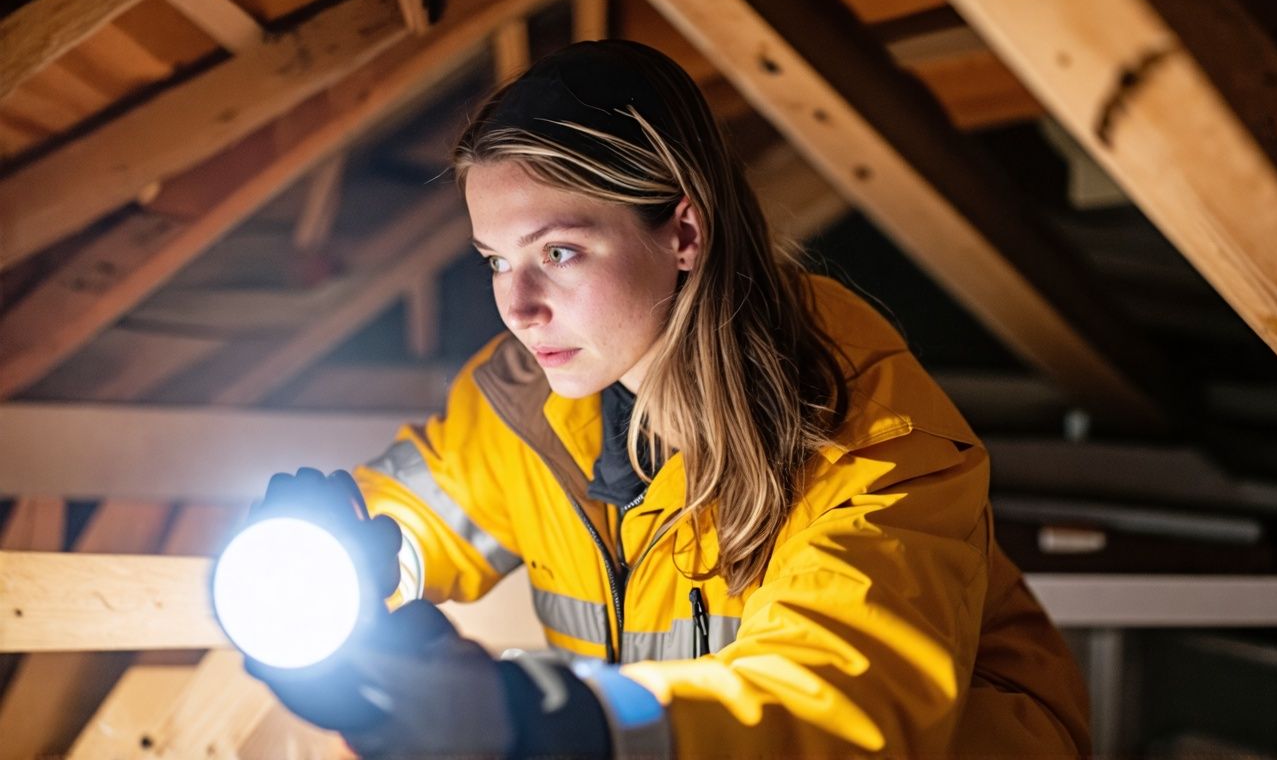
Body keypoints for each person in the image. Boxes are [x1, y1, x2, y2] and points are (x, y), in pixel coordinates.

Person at [249, 39, 1090, 757]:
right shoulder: (524, 400)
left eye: (561, 252)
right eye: (497, 260)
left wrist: (557, 729)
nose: (518, 305)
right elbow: (428, 504)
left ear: (683, 233)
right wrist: (343, 544)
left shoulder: (864, 431)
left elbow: (837, 704)